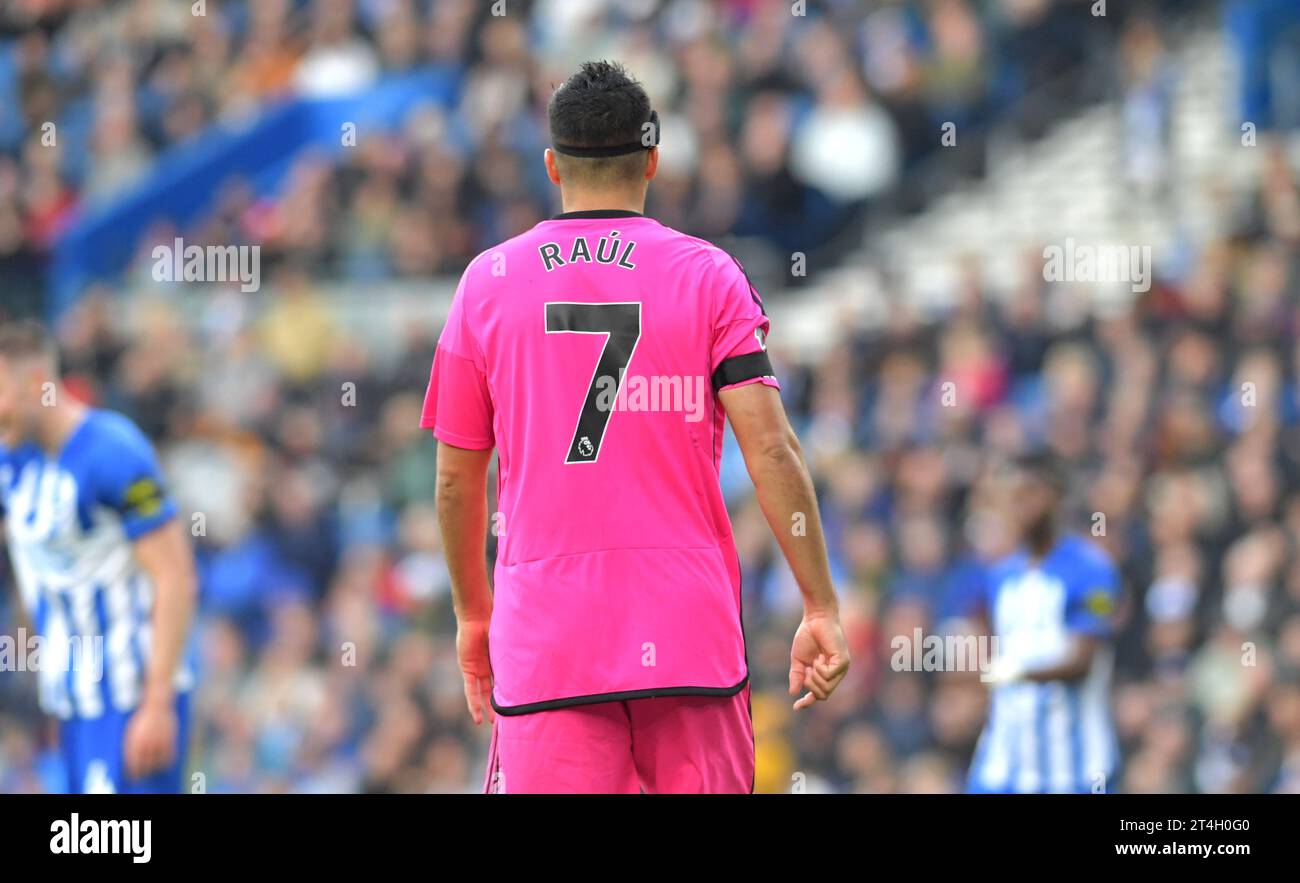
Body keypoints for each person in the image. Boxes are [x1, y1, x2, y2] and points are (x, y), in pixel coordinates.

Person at [423, 61, 849, 793]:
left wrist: (472, 615)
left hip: (548, 640)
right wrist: (819, 602)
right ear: (653, 159)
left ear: (553, 164)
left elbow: (457, 477)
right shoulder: (708, 274)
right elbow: (772, 446)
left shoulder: (487, 284)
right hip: (689, 633)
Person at [0, 320, 196, 793]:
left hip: (128, 698)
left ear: (36, 386)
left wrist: (157, 703)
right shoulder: (13, 459)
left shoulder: (113, 452)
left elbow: (176, 578)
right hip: (71, 699)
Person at [968, 453, 1122, 793]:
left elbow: (1083, 662)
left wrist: (1016, 672)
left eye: (1027, 495)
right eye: (1011, 498)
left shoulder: (1094, 570)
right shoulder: (1000, 576)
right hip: (1005, 763)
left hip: (1074, 769)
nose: (1017, 507)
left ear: (1054, 496)